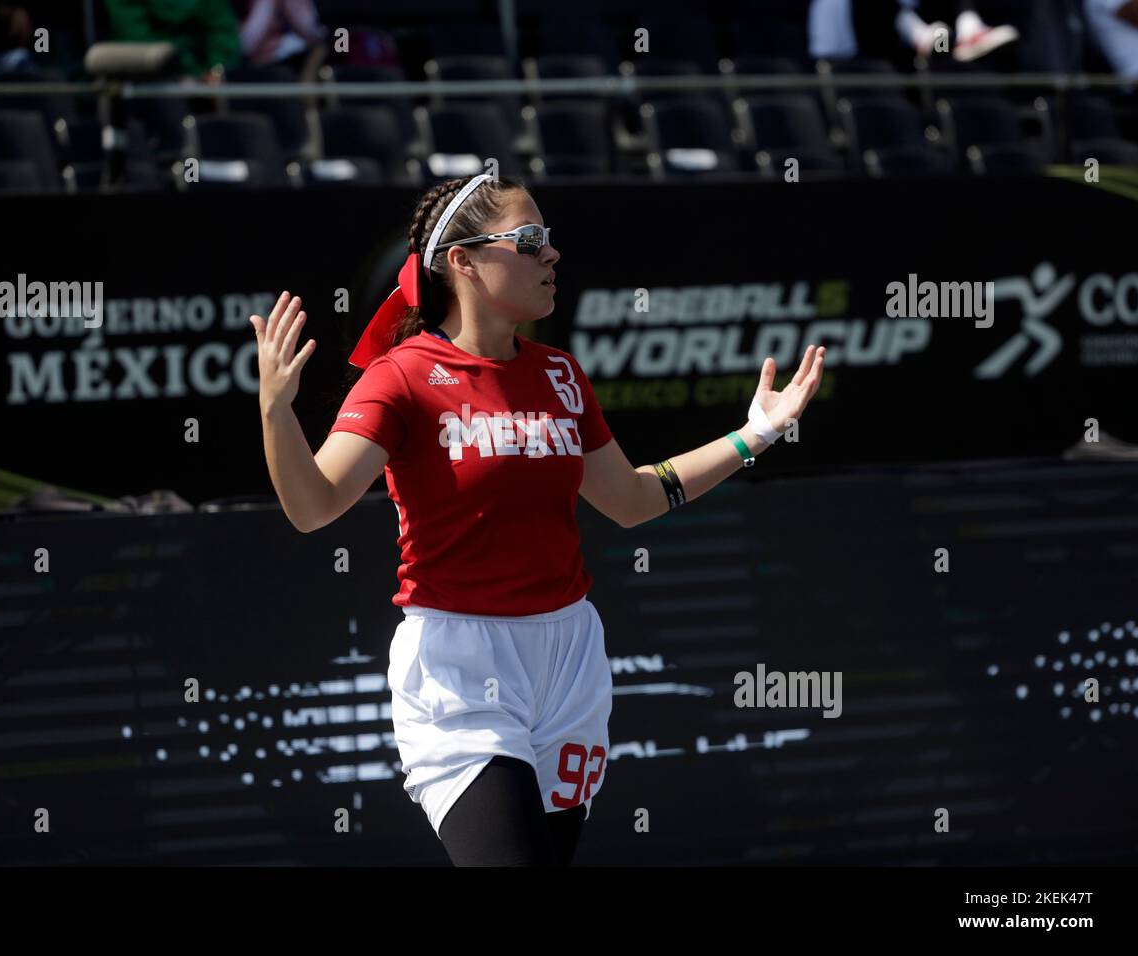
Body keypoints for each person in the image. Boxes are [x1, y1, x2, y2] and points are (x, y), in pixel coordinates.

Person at [248, 174, 826, 866]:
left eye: (548, 239)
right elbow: (313, 506)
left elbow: (632, 499)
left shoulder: (561, 375)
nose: (551, 254)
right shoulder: (402, 377)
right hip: (460, 669)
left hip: (569, 658)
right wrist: (275, 411)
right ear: (462, 261)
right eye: (528, 241)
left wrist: (755, 434)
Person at [104, 0, 241, 83]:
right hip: (146, 83)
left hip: (204, 84)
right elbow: (136, 37)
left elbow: (222, 31)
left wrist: (216, 72)